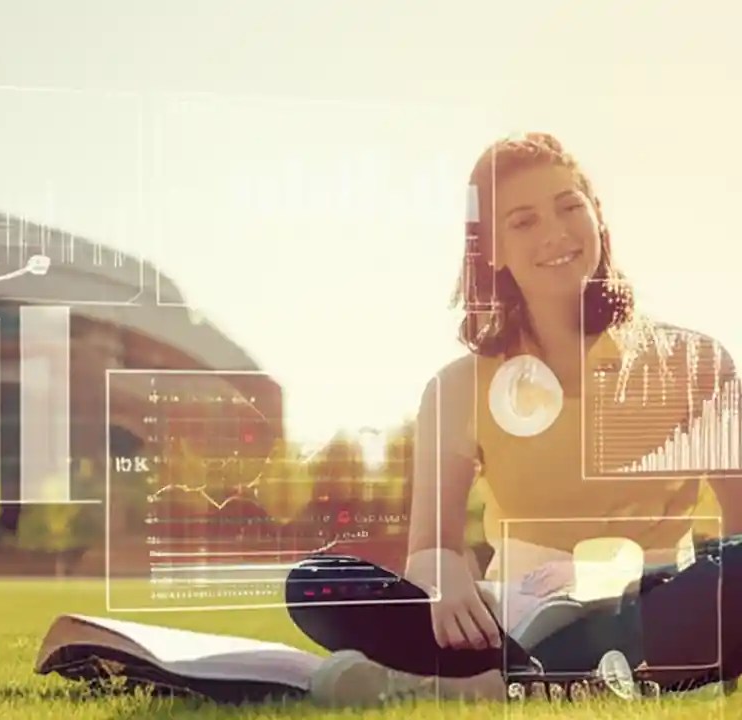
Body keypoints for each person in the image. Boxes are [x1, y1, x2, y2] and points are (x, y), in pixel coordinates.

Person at [287, 132, 742, 706]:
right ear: (491, 251)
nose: (555, 232)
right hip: (517, 617)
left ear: (597, 217)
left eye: (569, 206)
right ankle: (558, 673)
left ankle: (489, 685)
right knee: (317, 583)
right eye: (523, 221)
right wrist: (445, 578)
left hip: (652, 607)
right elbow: (431, 548)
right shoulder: (457, 388)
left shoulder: (698, 363)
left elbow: (739, 530)